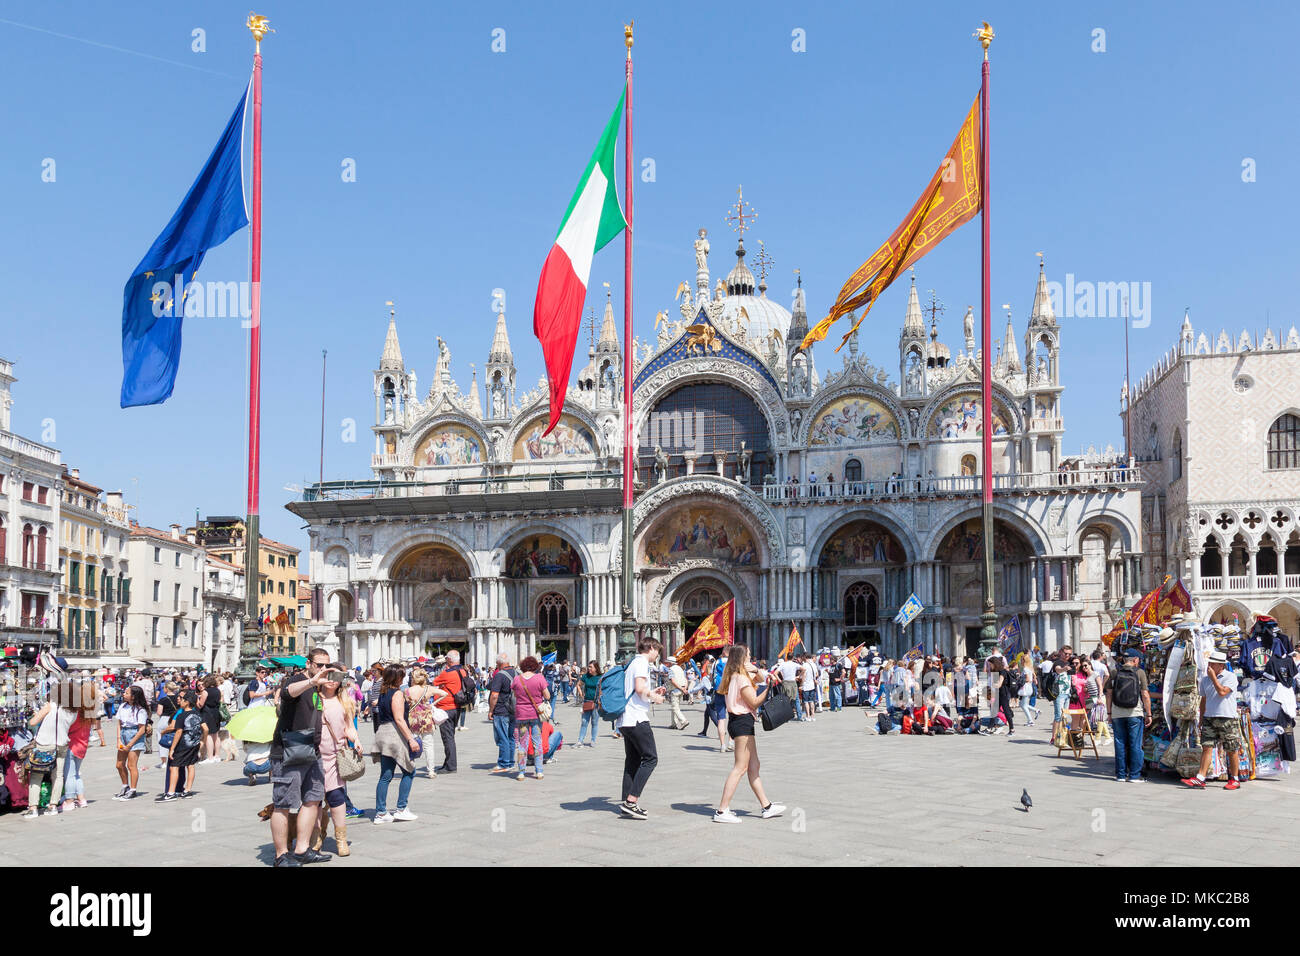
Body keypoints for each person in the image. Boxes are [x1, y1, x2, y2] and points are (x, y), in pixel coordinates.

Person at [269, 648, 334, 867]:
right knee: (283, 803)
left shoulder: (319, 687)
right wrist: (310, 681)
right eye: (319, 665)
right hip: (289, 750)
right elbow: (289, 693)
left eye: (327, 665)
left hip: (312, 751)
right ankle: (280, 855)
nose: (323, 669)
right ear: (308, 664)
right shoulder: (295, 681)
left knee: (313, 799)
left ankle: (302, 849)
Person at [713, 646, 785, 823]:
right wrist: (767, 689)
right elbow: (753, 703)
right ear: (742, 658)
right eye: (749, 655)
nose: (751, 657)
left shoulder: (737, 676)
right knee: (740, 767)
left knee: (754, 765)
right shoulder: (741, 679)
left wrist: (756, 669)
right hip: (742, 721)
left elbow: (759, 677)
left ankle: (766, 806)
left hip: (741, 722)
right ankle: (722, 811)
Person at [313, 668, 361, 857]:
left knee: (336, 797)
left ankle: (340, 839)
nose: (332, 682)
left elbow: (349, 727)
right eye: (328, 678)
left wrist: (356, 740)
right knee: (313, 800)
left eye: (336, 679)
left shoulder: (345, 701)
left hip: (335, 756)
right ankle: (316, 836)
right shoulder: (313, 699)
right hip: (314, 756)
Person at [619, 636, 667, 819]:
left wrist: (652, 692)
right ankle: (631, 801)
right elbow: (639, 688)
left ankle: (626, 802)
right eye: (658, 651)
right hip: (636, 718)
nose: (658, 655)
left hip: (626, 719)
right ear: (652, 648)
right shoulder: (641, 663)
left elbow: (637, 691)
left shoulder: (633, 663)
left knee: (632, 760)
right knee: (650, 759)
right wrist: (654, 697)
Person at [1182, 650, 1242, 790]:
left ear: (1221, 666)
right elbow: (1203, 700)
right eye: (1209, 663)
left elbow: (1222, 692)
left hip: (1227, 718)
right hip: (1210, 717)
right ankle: (1200, 778)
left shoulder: (1230, 677)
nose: (1209, 666)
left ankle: (1235, 778)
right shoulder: (1205, 679)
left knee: (1231, 749)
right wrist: (1201, 719)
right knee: (1207, 747)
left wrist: (1214, 678)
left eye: (1213, 664)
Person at [21, 683, 78, 819]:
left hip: (45, 744)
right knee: (58, 776)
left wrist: (37, 714)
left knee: (37, 776)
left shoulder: (50, 706)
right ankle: (53, 806)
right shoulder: (74, 710)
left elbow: (33, 722)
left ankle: (33, 807)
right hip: (62, 744)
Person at [373, 664, 421, 823]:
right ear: (397, 678)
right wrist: (411, 739)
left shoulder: (383, 692)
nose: (405, 678)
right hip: (394, 735)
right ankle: (401, 808)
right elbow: (399, 719)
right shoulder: (397, 694)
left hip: (382, 732)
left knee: (386, 775)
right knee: (409, 771)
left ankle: (380, 812)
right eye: (403, 675)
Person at [1106, 647, 1151, 783]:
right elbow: (1145, 694)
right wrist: (1148, 713)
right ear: (1135, 660)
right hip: (1134, 713)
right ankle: (1134, 775)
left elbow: (1108, 693)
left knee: (1119, 743)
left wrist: (1109, 712)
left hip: (1117, 713)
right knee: (1135, 744)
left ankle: (1120, 775)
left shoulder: (1114, 672)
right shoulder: (1140, 673)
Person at [60, 681, 102, 812]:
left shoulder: (77, 711)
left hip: (72, 745)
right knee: (76, 774)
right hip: (82, 746)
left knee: (69, 775)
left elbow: (69, 728)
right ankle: (82, 799)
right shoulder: (91, 711)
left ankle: (69, 801)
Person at [512, 656, 551, 780]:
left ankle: (521, 772)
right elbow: (547, 695)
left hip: (521, 714)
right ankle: (539, 771)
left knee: (522, 744)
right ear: (535, 666)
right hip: (536, 714)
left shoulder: (517, 679)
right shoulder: (539, 678)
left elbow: (515, 695)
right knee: (537, 742)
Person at [405, 668, 449, 777]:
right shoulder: (428, 689)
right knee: (428, 745)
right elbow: (444, 693)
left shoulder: (407, 691)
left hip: (413, 719)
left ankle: (411, 768)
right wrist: (432, 704)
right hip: (426, 719)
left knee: (412, 744)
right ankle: (431, 770)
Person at [162, 690, 206, 800]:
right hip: (194, 744)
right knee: (190, 766)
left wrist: (172, 748)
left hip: (183, 745)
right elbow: (206, 728)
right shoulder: (197, 714)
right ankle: (187, 790)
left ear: (186, 702)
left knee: (174, 767)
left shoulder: (182, 715)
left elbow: (178, 732)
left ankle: (171, 793)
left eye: (182, 699)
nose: (180, 701)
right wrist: (202, 741)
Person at [431, 649, 468, 773]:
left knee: (448, 738)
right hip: (457, 707)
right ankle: (447, 762)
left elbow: (434, 682)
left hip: (446, 707)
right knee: (450, 736)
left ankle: (451, 766)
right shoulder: (463, 671)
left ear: (449, 660)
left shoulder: (446, 673)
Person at [112, 685, 149, 800]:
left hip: (135, 735)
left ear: (133, 696)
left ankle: (133, 789)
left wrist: (130, 744)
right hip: (124, 733)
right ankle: (125, 786)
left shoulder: (140, 710)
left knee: (131, 765)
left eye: (127, 693)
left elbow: (142, 729)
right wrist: (118, 739)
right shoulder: (123, 706)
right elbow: (118, 723)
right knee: (119, 764)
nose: (124, 694)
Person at [488, 654, 519, 772]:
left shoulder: (499, 675)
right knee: (511, 737)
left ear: (499, 664)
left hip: (501, 710)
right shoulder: (517, 673)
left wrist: (491, 710)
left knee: (503, 737)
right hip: (514, 710)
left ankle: (503, 763)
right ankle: (510, 762)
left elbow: (494, 695)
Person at [197, 674, 223, 764]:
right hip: (216, 713)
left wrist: (197, 699)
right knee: (216, 735)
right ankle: (217, 756)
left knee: (208, 735)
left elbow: (200, 705)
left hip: (208, 714)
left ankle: (210, 757)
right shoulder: (218, 690)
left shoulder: (205, 692)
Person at [577, 660, 602, 747]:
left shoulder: (601, 677)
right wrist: (581, 695)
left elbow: (604, 689)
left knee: (594, 722)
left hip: (596, 703)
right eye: (589, 666)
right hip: (587, 702)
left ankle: (593, 740)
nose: (589, 668)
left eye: (591, 667)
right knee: (584, 722)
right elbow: (578, 685)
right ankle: (580, 740)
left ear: (596, 668)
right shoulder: (585, 676)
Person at [665, 656, 690, 730]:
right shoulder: (680, 668)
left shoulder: (671, 669)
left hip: (675, 689)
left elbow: (673, 680)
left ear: (670, 663)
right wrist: (684, 688)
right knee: (675, 706)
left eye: (667, 662)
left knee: (675, 707)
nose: (667, 664)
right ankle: (674, 724)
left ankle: (683, 721)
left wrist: (680, 688)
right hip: (682, 688)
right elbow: (685, 679)